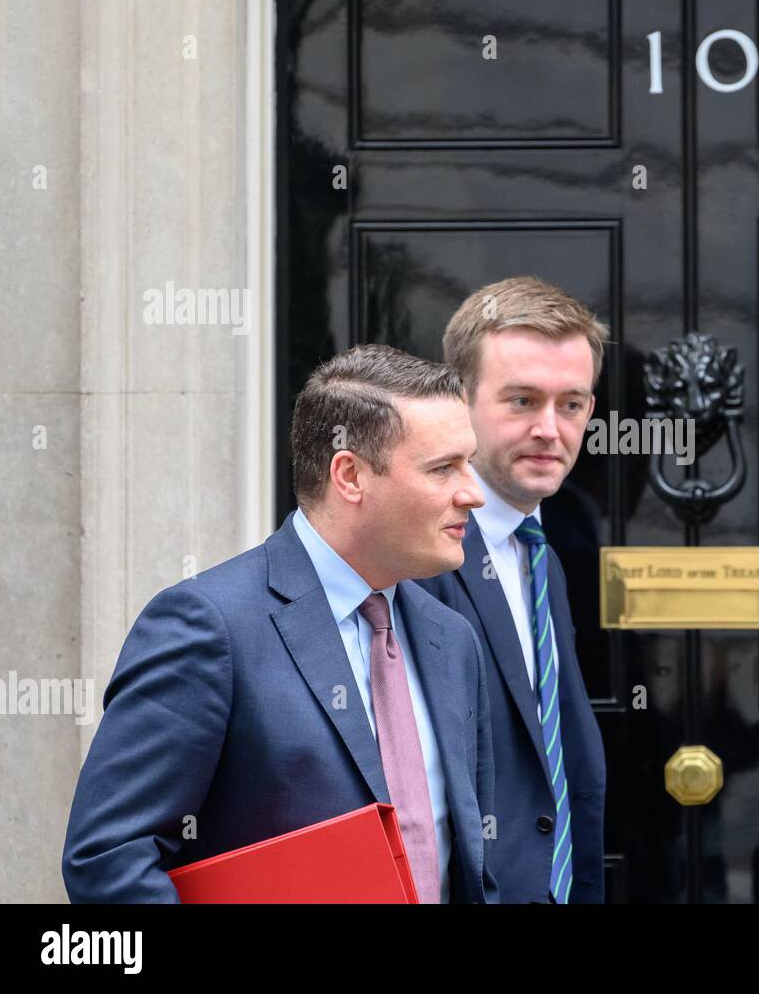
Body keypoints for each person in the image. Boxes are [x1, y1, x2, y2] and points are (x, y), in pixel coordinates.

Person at [62, 345, 498, 903]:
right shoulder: (207, 626)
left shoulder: (451, 638)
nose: (474, 493)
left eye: (469, 462)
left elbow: (471, 866)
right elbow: (108, 859)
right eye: (443, 468)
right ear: (351, 476)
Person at [419, 276, 608, 903]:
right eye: (522, 401)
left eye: (572, 404)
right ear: (460, 400)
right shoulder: (414, 556)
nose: (551, 429)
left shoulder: (544, 555)